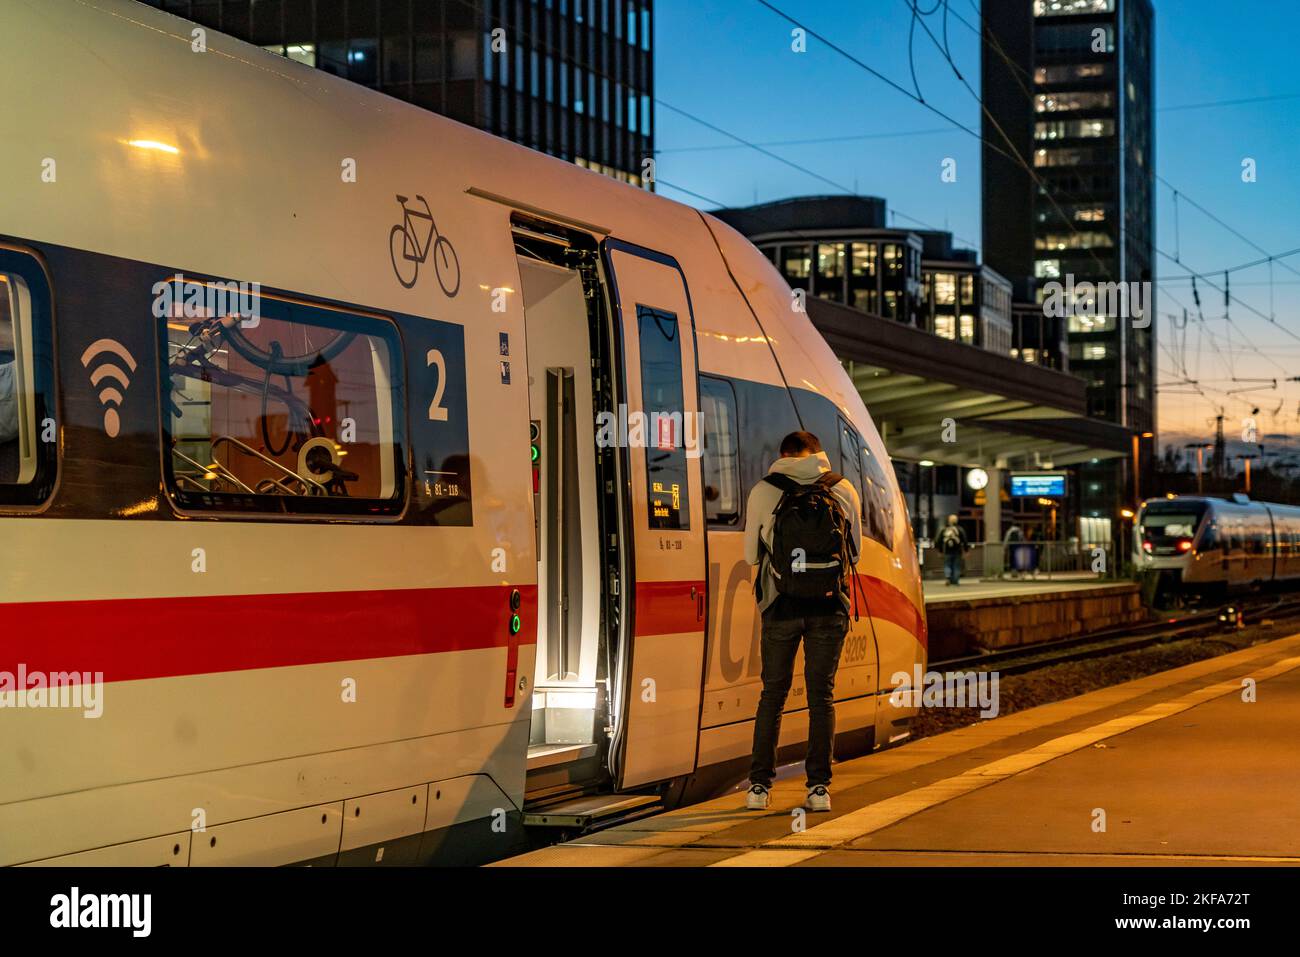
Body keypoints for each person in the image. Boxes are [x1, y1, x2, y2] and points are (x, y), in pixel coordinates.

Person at [742, 430, 862, 813]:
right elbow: (854, 555)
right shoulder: (843, 489)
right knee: (821, 697)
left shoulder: (764, 490)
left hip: (781, 608)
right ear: (817, 454)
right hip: (829, 609)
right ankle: (818, 789)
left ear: (783, 455)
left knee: (772, 696)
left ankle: (759, 789)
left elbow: (750, 556)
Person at [937, 514, 969, 585]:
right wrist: (966, 550)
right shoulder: (959, 529)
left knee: (947, 564)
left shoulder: (944, 529)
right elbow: (964, 540)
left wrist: (940, 551)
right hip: (957, 551)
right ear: (956, 521)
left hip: (947, 551)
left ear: (949, 520)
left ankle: (948, 577)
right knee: (956, 565)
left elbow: (939, 540)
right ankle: (955, 580)